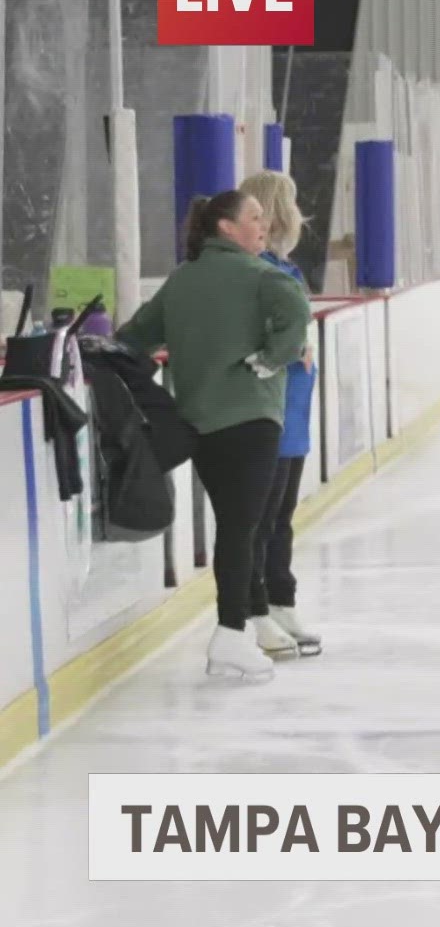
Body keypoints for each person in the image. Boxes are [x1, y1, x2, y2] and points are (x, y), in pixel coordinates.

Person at [117, 190, 313, 683]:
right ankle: (231, 634)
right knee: (243, 530)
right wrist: (272, 359)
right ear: (226, 227)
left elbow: (134, 337)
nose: (263, 224)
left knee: (234, 526)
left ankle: (244, 629)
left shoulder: (183, 280)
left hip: (200, 422)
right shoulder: (259, 275)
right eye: (253, 217)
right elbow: (296, 311)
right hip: (249, 419)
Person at [237, 170, 321, 658]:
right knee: (263, 518)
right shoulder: (259, 272)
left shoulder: (285, 269)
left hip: (294, 411)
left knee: (281, 515)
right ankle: (257, 611)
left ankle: (280, 596)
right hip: (270, 409)